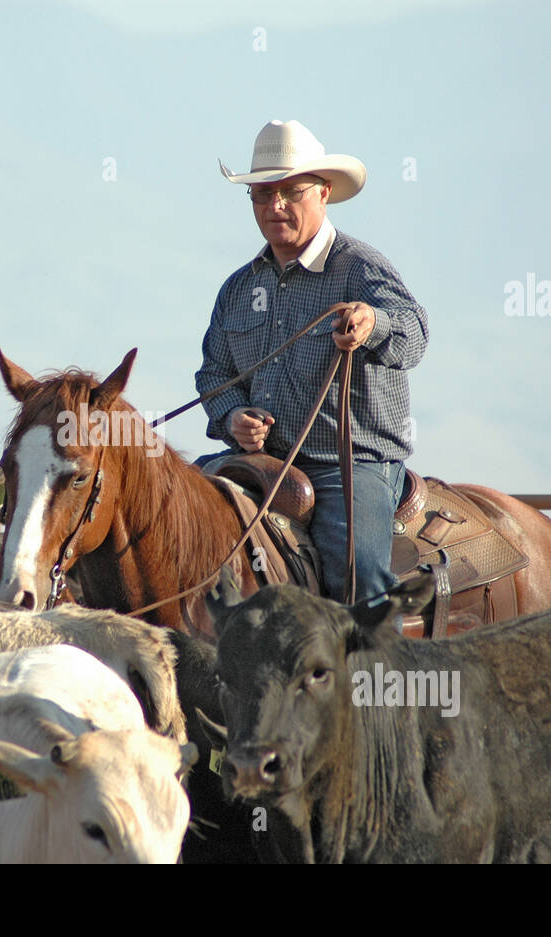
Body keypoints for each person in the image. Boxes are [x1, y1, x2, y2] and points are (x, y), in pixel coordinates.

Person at [195, 119, 429, 602]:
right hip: (256, 461)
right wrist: (232, 416)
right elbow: (215, 373)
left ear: (323, 192)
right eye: (262, 194)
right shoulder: (239, 287)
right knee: (170, 518)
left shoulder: (360, 267)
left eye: (290, 192)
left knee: (358, 579)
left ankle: (374, 669)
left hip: (349, 464)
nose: (274, 205)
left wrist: (373, 323)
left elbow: (415, 334)